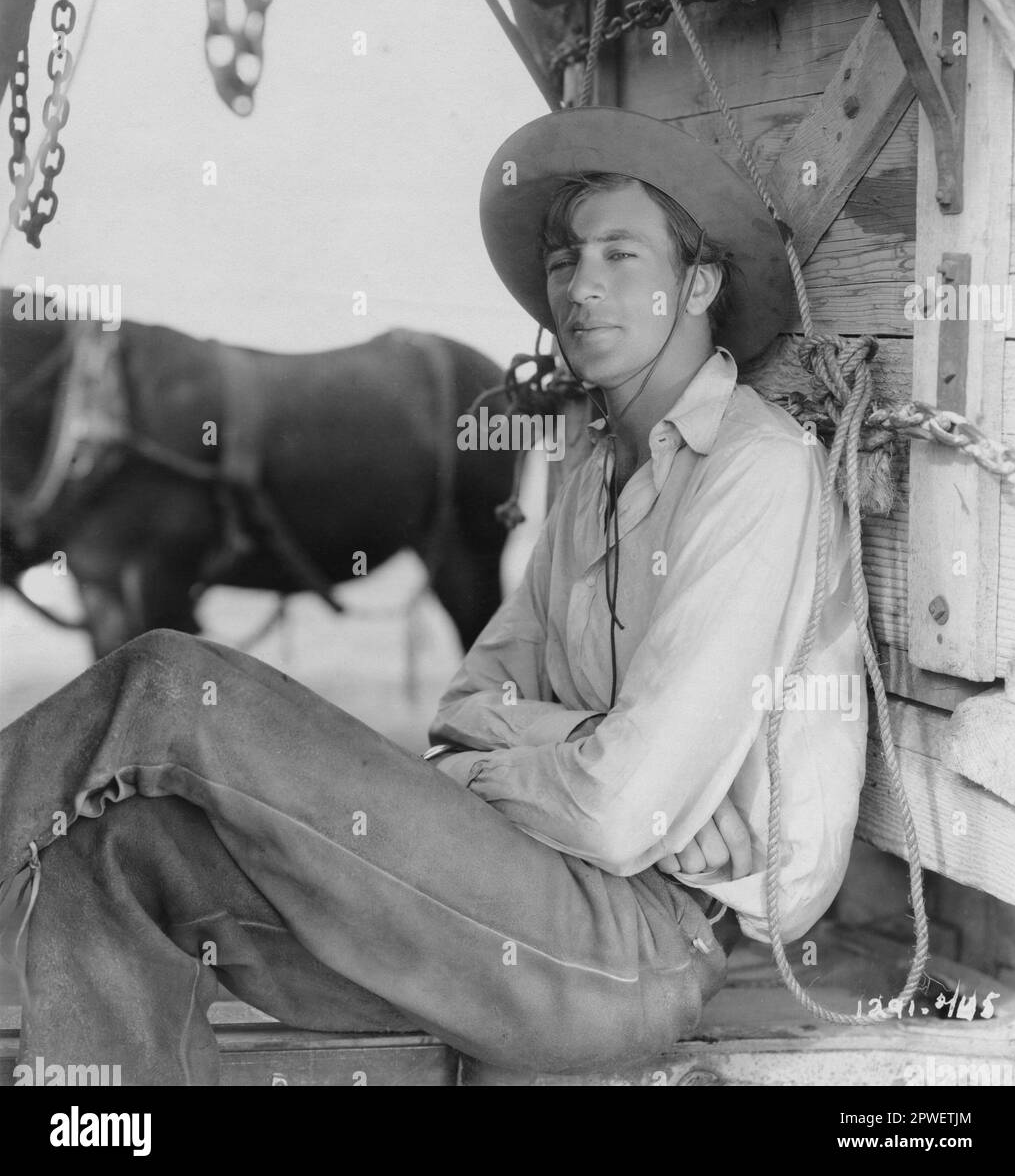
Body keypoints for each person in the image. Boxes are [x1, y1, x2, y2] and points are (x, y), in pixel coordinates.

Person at [0, 108, 865, 1086]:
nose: (579, 286)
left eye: (621, 255)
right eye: (565, 256)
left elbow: (619, 814)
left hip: (633, 950)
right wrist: (587, 738)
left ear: (697, 284)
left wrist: (516, 770)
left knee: (166, 682)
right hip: (508, 906)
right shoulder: (591, 474)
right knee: (108, 848)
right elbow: (463, 713)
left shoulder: (756, 471)